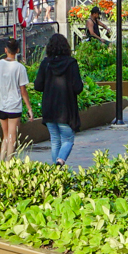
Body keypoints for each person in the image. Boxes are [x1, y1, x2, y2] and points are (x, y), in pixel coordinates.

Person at [34, 33, 83, 168]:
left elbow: (38, 86)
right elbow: (78, 87)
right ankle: (60, 161)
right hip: (65, 109)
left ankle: (57, 172)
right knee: (68, 139)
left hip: (49, 107)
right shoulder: (71, 63)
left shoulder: (46, 63)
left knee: (55, 140)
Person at [0, 38, 34, 162]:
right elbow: (23, 91)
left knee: (5, 136)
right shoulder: (20, 68)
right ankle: (8, 165)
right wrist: (29, 108)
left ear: (5, 50)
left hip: (1, 105)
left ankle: (0, 163)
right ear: (17, 50)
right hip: (14, 106)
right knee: (12, 138)